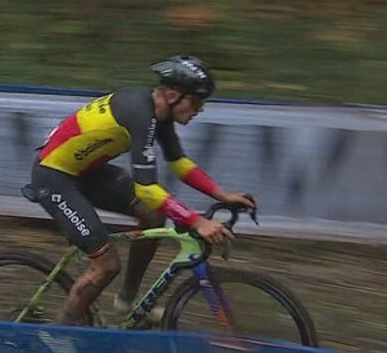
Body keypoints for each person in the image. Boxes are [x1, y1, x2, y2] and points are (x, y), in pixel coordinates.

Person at [27, 55, 256, 336]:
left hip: (86, 173)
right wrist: (196, 222)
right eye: (197, 101)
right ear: (172, 96)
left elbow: (180, 164)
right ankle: (60, 335)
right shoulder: (139, 113)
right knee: (107, 265)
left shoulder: (160, 114)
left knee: (154, 213)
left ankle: (126, 302)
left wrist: (223, 194)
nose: (201, 109)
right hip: (54, 178)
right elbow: (146, 186)